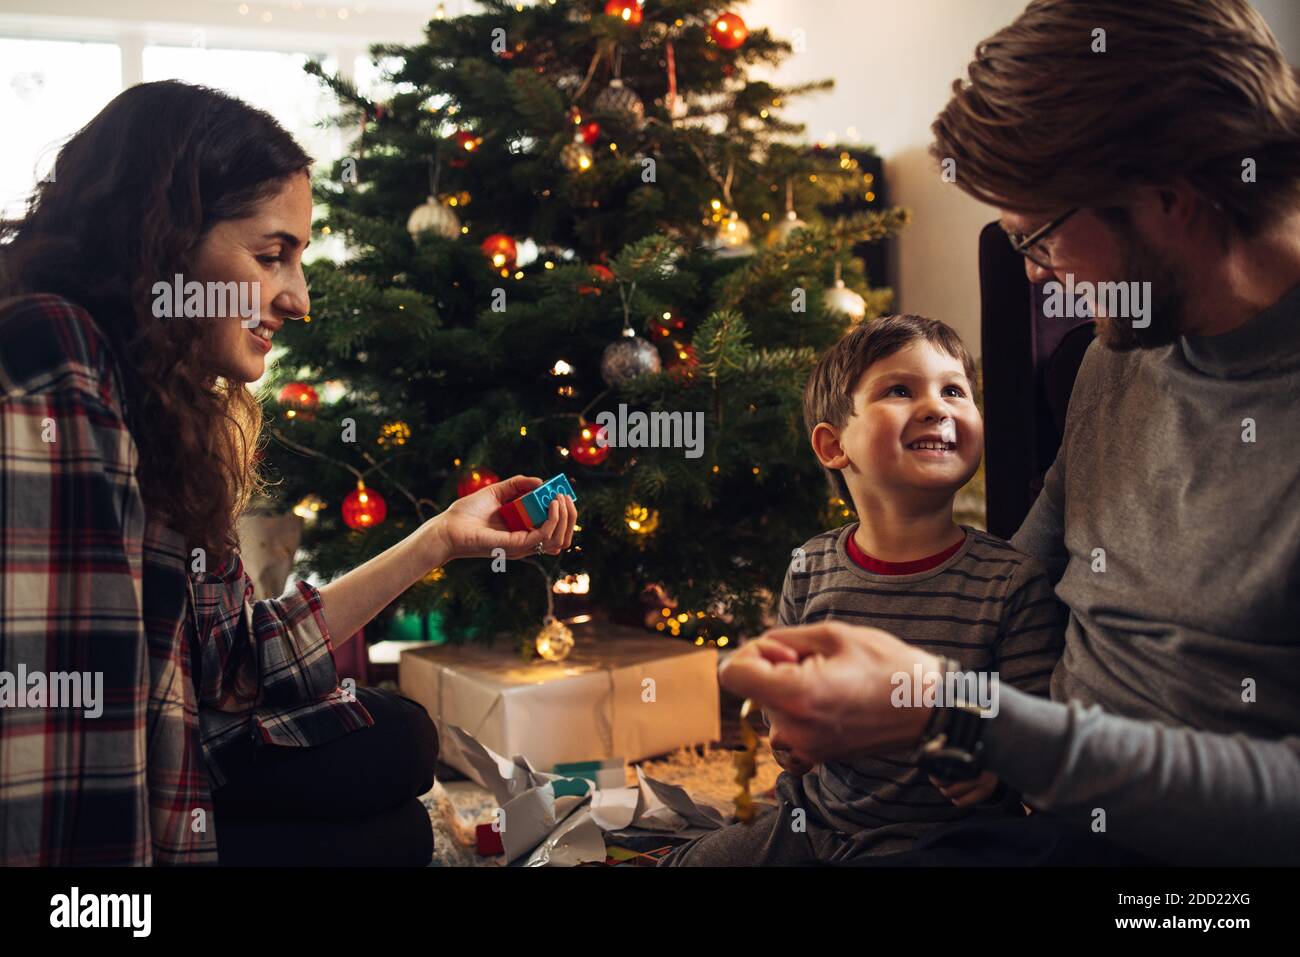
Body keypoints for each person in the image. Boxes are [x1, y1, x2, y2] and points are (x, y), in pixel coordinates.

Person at [719, 0, 1300, 866]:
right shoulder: (1125, 350)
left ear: (1171, 200)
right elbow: (1021, 567)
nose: (1037, 274)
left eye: (1040, 237)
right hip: (1037, 817)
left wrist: (958, 714)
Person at [0, 80, 577, 866]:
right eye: (272, 255)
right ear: (161, 238)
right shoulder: (51, 355)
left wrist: (437, 539)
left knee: (401, 749)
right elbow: (68, 751)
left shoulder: (160, 400)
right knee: (391, 802)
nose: (298, 299)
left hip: (172, 765)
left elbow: (237, 659)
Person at [661, 316, 1064, 865]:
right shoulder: (810, 566)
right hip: (813, 819)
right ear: (833, 446)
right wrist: (785, 731)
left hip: (943, 836)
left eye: (953, 390)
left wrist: (995, 769)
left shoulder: (1011, 581)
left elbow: (1037, 728)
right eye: (900, 390)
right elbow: (785, 695)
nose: (936, 406)